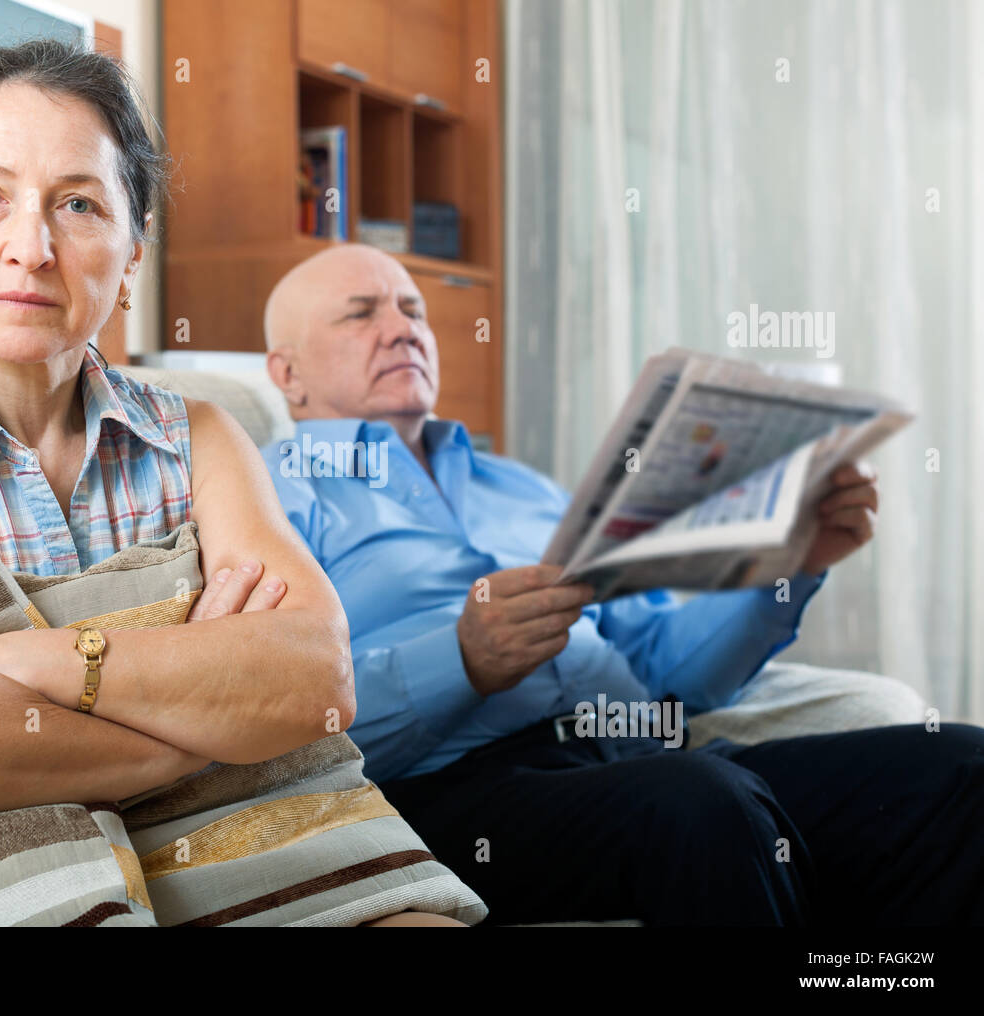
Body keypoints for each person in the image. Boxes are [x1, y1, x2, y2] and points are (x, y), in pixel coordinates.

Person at [0, 41, 463, 927]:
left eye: (80, 205)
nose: (32, 249)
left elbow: (317, 679)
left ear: (134, 251)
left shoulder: (201, 437)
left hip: (242, 838)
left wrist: (19, 666)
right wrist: (196, 727)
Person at [260, 241, 984, 926]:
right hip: (446, 791)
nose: (402, 330)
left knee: (957, 766)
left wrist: (790, 571)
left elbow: (672, 676)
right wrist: (462, 662)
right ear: (286, 374)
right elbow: (283, 726)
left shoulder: (522, 487)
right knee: (700, 803)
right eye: (362, 313)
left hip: (633, 748)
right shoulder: (274, 495)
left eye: (413, 310)